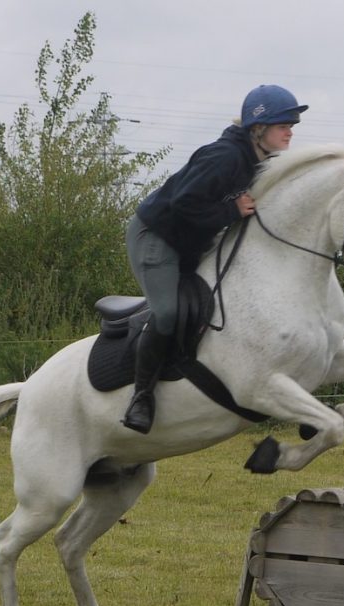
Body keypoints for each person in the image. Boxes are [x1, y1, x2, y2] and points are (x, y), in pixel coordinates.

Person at [120, 84, 308, 434]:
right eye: (284, 125)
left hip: (192, 240)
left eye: (291, 125)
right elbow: (183, 205)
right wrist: (231, 209)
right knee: (169, 312)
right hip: (157, 238)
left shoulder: (260, 161)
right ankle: (141, 396)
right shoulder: (224, 157)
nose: (290, 131)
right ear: (258, 129)